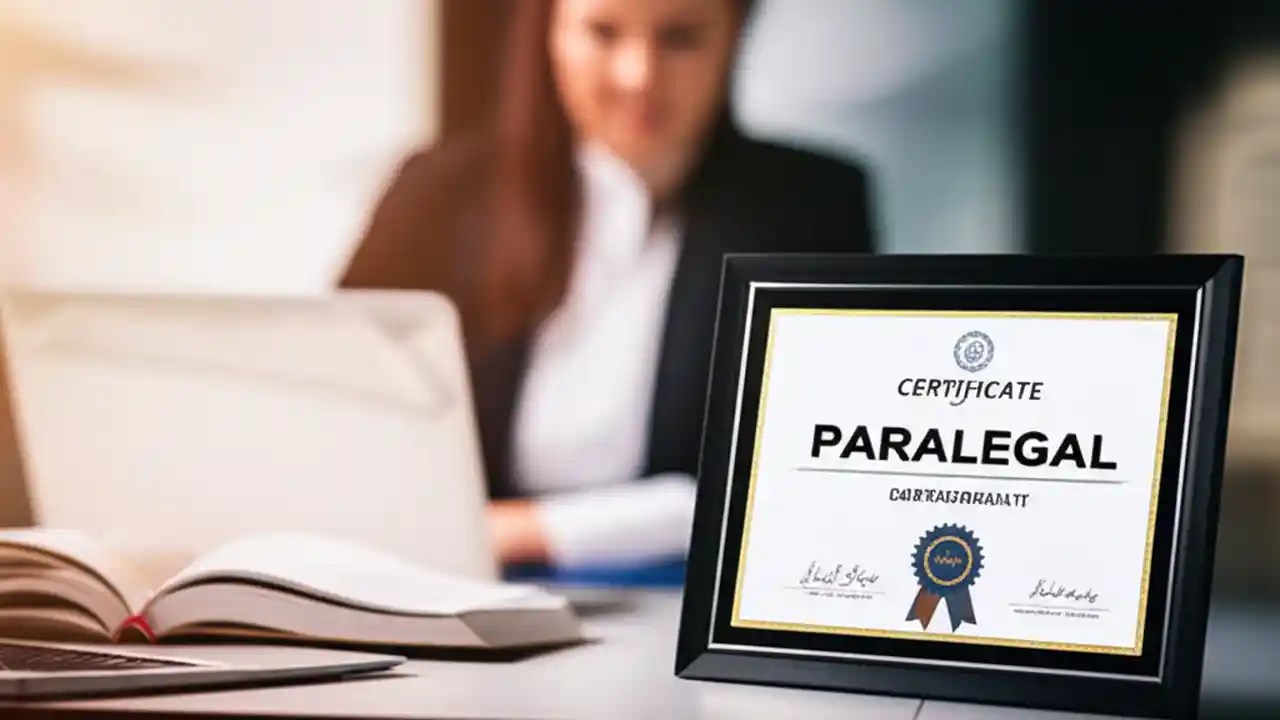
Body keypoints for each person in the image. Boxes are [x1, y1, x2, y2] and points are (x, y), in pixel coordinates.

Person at [342, 0, 874, 579]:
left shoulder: (809, 208)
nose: (637, 76)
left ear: (735, 35)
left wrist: (528, 530)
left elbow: (812, 479)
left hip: (688, 600)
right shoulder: (437, 195)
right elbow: (340, 425)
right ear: (548, 30)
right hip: (455, 593)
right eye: (603, 33)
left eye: (681, 38)